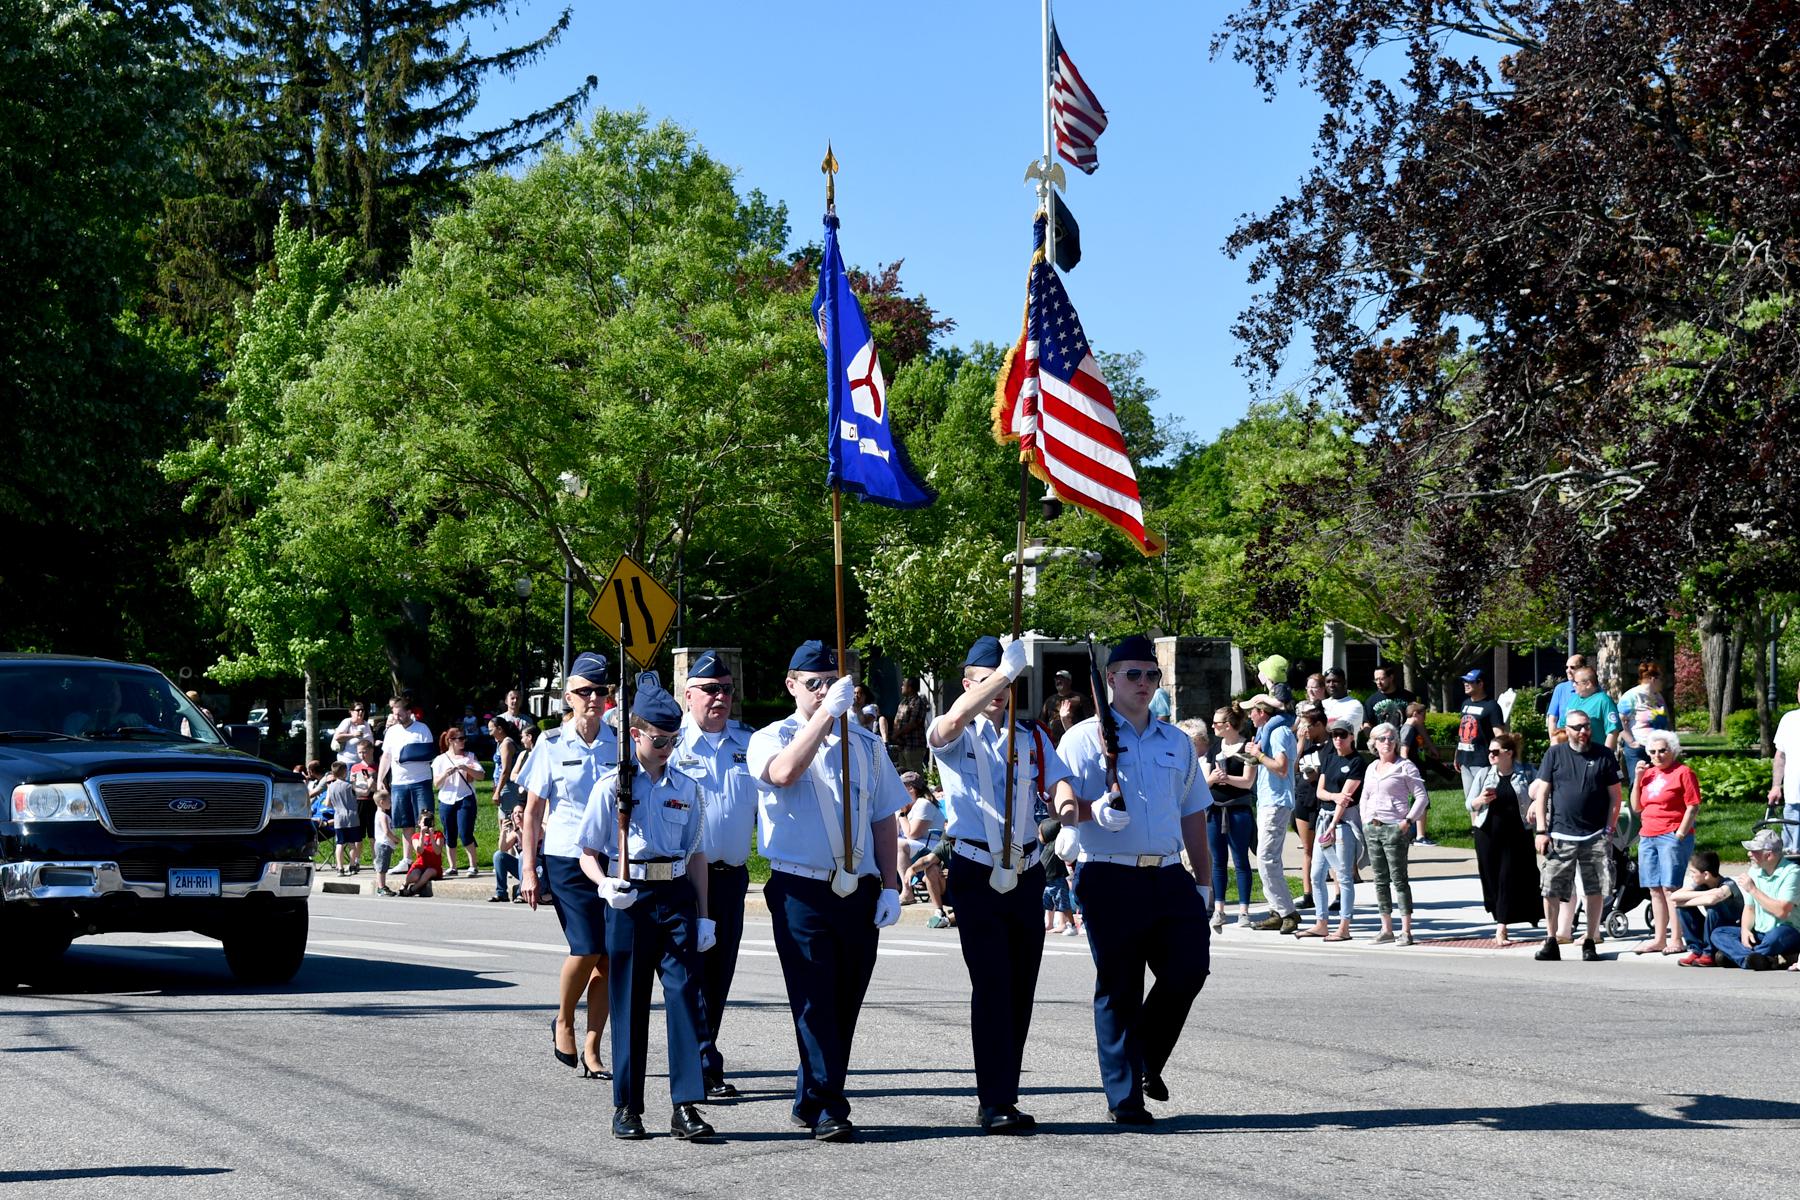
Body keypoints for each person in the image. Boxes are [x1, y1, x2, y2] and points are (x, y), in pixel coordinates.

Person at [747, 640, 908, 1143]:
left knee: (844, 1002)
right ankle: (829, 1108)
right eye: (812, 683)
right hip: (802, 888)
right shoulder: (771, 736)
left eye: (831, 683)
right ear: (792, 685)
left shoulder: (865, 744)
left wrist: (890, 883)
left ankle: (809, 1095)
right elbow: (783, 773)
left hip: (856, 890)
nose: (822, 691)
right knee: (814, 1001)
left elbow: (883, 816)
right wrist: (824, 717)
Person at [1056, 634, 1213, 1125]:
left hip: (1168, 875)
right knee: (1119, 986)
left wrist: (1204, 882)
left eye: (1152, 675)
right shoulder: (1082, 739)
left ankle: (1141, 1058)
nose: (1144, 684)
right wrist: (1096, 811)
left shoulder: (1176, 741)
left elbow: (1193, 815)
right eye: (1133, 674)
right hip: (1108, 875)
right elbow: (1060, 807)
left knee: (1189, 969)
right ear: (1110, 680)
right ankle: (1125, 1098)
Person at [929, 635, 1080, 1134]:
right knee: (992, 984)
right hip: (975, 871)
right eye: (988, 681)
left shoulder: (1031, 735)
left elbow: (1056, 780)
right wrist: (1004, 672)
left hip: (1026, 869)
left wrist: (1066, 814)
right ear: (968, 683)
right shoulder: (957, 733)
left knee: (1020, 988)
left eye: (1007, 682)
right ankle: (992, 1100)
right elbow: (945, 726)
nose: (999, 691)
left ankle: (1006, 1094)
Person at [576, 679, 716, 1142]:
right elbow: (588, 851)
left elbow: (695, 853)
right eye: (658, 740)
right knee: (630, 1003)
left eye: (673, 740)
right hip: (629, 897)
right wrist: (603, 885)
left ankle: (686, 1105)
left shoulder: (687, 788)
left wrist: (704, 916)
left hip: (675, 895)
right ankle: (627, 1107)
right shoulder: (612, 787)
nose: (666, 749)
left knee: (684, 998)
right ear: (635, 734)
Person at [519, 651, 620, 1083]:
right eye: (584, 691)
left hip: (611, 859)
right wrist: (528, 869)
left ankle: (594, 1046)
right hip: (565, 856)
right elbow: (532, 811)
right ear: (568, 697)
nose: (593, 698)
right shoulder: (551, 743)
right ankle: (563, 1020)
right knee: (587, 946)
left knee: (610, 957)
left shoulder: (619, 741)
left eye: (600, 691)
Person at [674, 649, 758, 1102]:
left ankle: (698, 1055)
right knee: (689, 971)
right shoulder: (673, 746)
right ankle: (703, 1061)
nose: (719, 697)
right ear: (689, 696)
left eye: (725, 689)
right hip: (682, 878)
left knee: (719, 973)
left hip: (731, 877)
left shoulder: (748, 744)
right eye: (709, 690)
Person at [1528, 712, 1622, 962]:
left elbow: (1615, 796)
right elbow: (1542, 794)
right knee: (1551, 889)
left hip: (1595, 835)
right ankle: (1551, 940)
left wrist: (1609, 830)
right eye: (1578, 727)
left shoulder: (1604, 755)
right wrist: (1541, 830)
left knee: (1595, 889)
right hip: (1559, 833)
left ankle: (1590, 940)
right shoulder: (1555, 754)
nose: (1583, 731)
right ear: (1566, 729)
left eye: (1587, 726)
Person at [1630, 729, 1701, 954]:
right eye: (1653, 752)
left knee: (1671, 888)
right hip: (1648, 834)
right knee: (1654, 889)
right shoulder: (1648, 774)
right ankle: (1659, 938)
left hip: (1672, 834)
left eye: (1663, 750)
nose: (1658, 755)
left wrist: (1680, 833)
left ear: (1673, 750)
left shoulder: (1683, 772)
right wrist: (1638, 778)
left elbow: (1693, 805)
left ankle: (1676, 939)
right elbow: (1636, 806)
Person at [1466, 731, 1540, 944]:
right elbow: (1469, 803)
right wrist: (1480, 800)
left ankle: (1502, 928)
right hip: (1487, 833)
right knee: (1491, 878)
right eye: (1489, 752)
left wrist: (1535, 804)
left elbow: (1543, 791)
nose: (1490, 756)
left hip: (1516, 833)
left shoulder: (1526, 773)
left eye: (1495, 752)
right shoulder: (1484, 774)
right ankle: (1499, 914)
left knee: (1507, 878)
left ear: (1508, 753)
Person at [1361, 722, 1428, 945]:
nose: (1387, 742)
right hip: (1373, 827)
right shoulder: (1371, 768)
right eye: (1382, 739)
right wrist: (1364, 820)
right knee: (1380, 880)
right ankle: (1386, 928)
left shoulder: (1405, 766)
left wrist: (1407, 821)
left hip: (1395, 828)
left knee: (1399, 879)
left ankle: (1406, 930)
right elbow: (1365, 796)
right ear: (1374, 744)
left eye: (1391, 738)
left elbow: (1421, 797)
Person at [1299, 717, 1365, 941]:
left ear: (1352, 737)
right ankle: (1321, 923)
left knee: (1344, 875)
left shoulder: (1356, 762)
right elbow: (1320, 791)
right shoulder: (1329, 758)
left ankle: (1344, 927)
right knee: (1317, 874)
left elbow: (1346, 800)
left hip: (1343, 824)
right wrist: (1333, 797)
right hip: (1324, 819)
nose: (1338, 739)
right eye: (1335, 735)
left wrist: (1334, 825)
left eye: (1342, 735)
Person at [1243, 693, 1302, 933]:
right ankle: (1277, 910)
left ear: (1262, 712)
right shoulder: (1270, 731)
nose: (1249, 715)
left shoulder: (1277, 733)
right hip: (1269, 800)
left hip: (1276, 802)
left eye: (1252, 711)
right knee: (1268, 859)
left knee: (1266, 858)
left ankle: (1287, 912)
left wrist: (1258, 755)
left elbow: (1281, 767)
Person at [1708, 830, 1800, 970]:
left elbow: (1782, 912)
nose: (1749, 854)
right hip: (1760, 933)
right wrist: (1745, 930)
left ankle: (1739, 957)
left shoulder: (1792, 873)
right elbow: (1749, 908)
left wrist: (1753, 889)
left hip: (1787, 931)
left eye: (1754, 850)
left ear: (1768, 855)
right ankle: (1756, 959)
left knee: (1776, 937)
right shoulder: (1754, 872)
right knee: (1718, 933)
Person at [1202, 705, 1257, 931]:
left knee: (1241, 860)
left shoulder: (1248, 747)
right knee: (1218, 861)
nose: (1213, 726)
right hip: (1215, 810)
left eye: (1216, 723)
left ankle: (1244, 910)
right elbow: (1204, 783)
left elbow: (1247, 781)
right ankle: (1219, 909)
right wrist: (1214, 779)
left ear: (1228, 725)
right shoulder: (1214, 748)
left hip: (1238, 810)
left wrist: (1227, 778)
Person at [377, 694, 434, 868]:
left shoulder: (422, 729)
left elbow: (428, 754)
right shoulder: (392, 732)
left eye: (399, 714)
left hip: (421, 781)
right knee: (405, 822)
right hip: (399, 783)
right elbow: (386, 756)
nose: (396, 717)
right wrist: (380, 779)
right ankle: (407, 860)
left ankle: (427, 857)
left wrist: (407, 756)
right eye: (394, 714)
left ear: (409, 712)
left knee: (426, 821)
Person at [1671, 851, 1745, 967]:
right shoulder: (1701, 884)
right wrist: (1708, 892)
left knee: (1713, 909)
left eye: (1693, 872)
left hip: (1730, 929)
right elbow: (1674, 896)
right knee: (1682, 909)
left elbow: (1712, 900)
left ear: (1706, 874)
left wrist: (1684, 902)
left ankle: (1708, 953)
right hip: (1711, 927)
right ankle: (1697, 950)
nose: (1691, 875)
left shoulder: (1728, 885)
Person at [1455, 669, 1507, 822]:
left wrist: (1500, 757)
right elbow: (1462, 732)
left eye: (1470, 682)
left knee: (1484, 797)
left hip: (1483, 760)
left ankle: (1488, 826)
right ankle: (1476, 829)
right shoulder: (1465, 704)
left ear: (1481, 683)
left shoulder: (1492, 706)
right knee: (1470, 799)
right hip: (1465, 759)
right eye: (1465, 681)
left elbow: (1499, 734)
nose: (1466, 684)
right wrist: (1457, 755)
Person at [432, 728, 485, 876]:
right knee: (449, 833)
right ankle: (452, 866)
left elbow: (481, 775)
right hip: (446, 799)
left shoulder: (469, 756)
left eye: (463, 738)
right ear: (450, 741)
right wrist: (445, 774)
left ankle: (473, 865)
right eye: (459, 739)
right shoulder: (440, 760)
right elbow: (436, 784)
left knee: (465, 832)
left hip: (465, 797)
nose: (463, 741)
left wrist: (466, 767)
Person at [896, 772, 949, 921]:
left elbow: (912, 834)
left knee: (899, 844)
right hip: (916, 846)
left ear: (911, 789)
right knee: (889, 844)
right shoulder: (908, 806)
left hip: (930, 847)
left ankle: (907, 892)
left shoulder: (923, 804)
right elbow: (894, 833)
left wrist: (901, 815)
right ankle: (894, 888)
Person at [1617, 659, 1672, 798]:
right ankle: (1636, 818)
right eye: (1661, 678)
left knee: (1659, 785)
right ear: (1653, 679)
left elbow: (1667, 720)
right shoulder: (1632, 696)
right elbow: (1620, 721)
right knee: (1638, 784)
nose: (1663, 682)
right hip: (1639, 749)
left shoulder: (1658, 697)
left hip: (1658, 749)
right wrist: (1631, 742)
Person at [1290, 702, 1326, 912]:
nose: (1305, 731)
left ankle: (1338, 894)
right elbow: (1292, 767)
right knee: (1308, 849)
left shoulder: (1330, 746)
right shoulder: (1305, 746)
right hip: (1303, 799)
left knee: (1331, 851)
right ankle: (1307, 893)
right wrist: (1301, 741)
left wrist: (1318, 775)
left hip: (1322, 801)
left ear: (1320, 725)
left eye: (1308, 727)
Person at [1768, 680, 1800, 856]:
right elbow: (1780, 756)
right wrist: (1775, 786)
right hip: (1794, 798)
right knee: (1791, 851)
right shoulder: (1789, 720)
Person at [1558, 665, 1622, 750]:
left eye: (1576, 682)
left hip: (1594, 756)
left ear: (1588, 684)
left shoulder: (1603, 701)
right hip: (1572, 755)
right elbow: (1562, 727)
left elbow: (1613, 732)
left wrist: (1606, 757)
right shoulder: (1573, 699)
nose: (1573, 685)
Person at [322, 761, 362, 876]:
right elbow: (362, 793)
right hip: (352, 818)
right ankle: (352, 865)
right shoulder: (349, 786)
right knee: (352, 844)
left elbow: (327, 803)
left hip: (339, 818)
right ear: (345, 772)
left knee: (340, 844)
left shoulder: (331, 787)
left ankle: (340, 868)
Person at [1041, 816, 1078, 935]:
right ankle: (1049, 923)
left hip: (1057, 879)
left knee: (1062, 903)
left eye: (1040, 833)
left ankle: (1070, 925)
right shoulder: (1047, 847)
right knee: (1048, 904)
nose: (1038, 836)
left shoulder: (1056, 844)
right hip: (1047, 880)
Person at [887, 676, 931, 775]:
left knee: (914, 774)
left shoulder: (917, 702)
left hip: (914, 745)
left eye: (904, 685)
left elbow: (913, 724)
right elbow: (897, 721)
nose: (901, 687)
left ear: (910, 688)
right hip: (902, 745)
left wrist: (896, 734)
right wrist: (896, 735)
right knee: (903, 774)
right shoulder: (904, 702)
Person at [491, 805, 535, 902]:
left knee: (524, 855)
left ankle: (522, 893)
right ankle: (501, 893)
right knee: (499, 856)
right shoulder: (515, 832)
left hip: (536, 868)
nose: (517, 815)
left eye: (520, 812)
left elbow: (530, 849)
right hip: (521, 869)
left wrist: (519, 831)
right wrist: (503, 832)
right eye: (514, 813)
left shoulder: (533, 828)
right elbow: (503, 848)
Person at [1039, 669, 1091, 744]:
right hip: (1054, 744)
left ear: (1069, 681)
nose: (1058, 681)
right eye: (1056, 679)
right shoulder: (1049, 701)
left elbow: (1089, 721)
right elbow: (1042, 722)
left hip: (1074, 742)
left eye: (1061, 679)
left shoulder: (1081, 699)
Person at [400, 810, 445, 896]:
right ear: (419, 823)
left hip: (434, 866)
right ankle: (405, 884)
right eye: (424, 822)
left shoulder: (438, 834)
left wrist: (432, 837)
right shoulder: (416, 836)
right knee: (414, 876)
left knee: (428, 872)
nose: (426, 824)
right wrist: (422, 835)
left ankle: (413, 890)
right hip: (420, 864)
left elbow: (438, 851)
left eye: (429, 821)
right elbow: (419, 850)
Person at [1363, 666, 1415, 734]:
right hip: (1383, 742)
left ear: (1391, 677)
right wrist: (1374, 740)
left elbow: (1417, 721)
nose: (1378, 682)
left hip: (1405, 741)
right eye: (1376, 679)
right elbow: (1367, 724)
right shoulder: (1370, 701)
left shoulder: (1408, 697)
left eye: (1381, 679)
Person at [1543, 653, 1587, 734]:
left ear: (1582, 668)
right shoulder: (1560, 689)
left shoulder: (1592, 690)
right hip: (1564, 740)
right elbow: (1552, 719)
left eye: (1572, 667)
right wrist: (1554, 741)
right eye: (1567, 667)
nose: (1568, 670)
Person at [490, 716, 524, 816]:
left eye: (491, 729)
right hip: (503, 785)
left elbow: (505, 770)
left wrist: (498, 792)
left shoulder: (507, 744)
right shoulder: (501, 743)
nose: (489, 733)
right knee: (503, 820)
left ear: (500, 729)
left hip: (509, 787)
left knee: (508, 820)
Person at [349, 738, 379, 850]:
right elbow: (352, 786)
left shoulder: (377, 767)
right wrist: (355, 786)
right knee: (358, 834)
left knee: (373, 834)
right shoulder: (355, 767)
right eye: (359, 752)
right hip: (358, 801)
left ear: (371, 751)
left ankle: (376, 860)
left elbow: (382, 788)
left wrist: (372, 784)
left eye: (364, 752)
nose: (362, 755)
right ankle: (356, 860)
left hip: (373, 802)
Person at [1320, 666, 1364, 734]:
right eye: (1328, 681)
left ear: (1344, 682)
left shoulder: (1354, 705)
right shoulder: (1322, 704)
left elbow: (1340, 728)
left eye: (1335, 681)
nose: (1331, 685)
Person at [371, 788, 397, 896]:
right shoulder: (383, 816)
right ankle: (381, 887)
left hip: (383, 844)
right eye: (389, 801)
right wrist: (395, 839)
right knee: (381, 868)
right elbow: (386, 831)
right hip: (383, 844)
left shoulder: (379, 814)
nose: (391, 803)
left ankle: (382, 885)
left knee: (383, 866)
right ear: (382, 802)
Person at [330, 703, 372, 768]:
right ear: (351, 712)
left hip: (364, 763)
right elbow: (337, 737)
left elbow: (370, 741)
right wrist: (353, 735)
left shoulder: (366, 724)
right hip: (348, 763)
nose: (361, 712)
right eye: (358, 710)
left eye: (362, 710)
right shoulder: (347, 722)